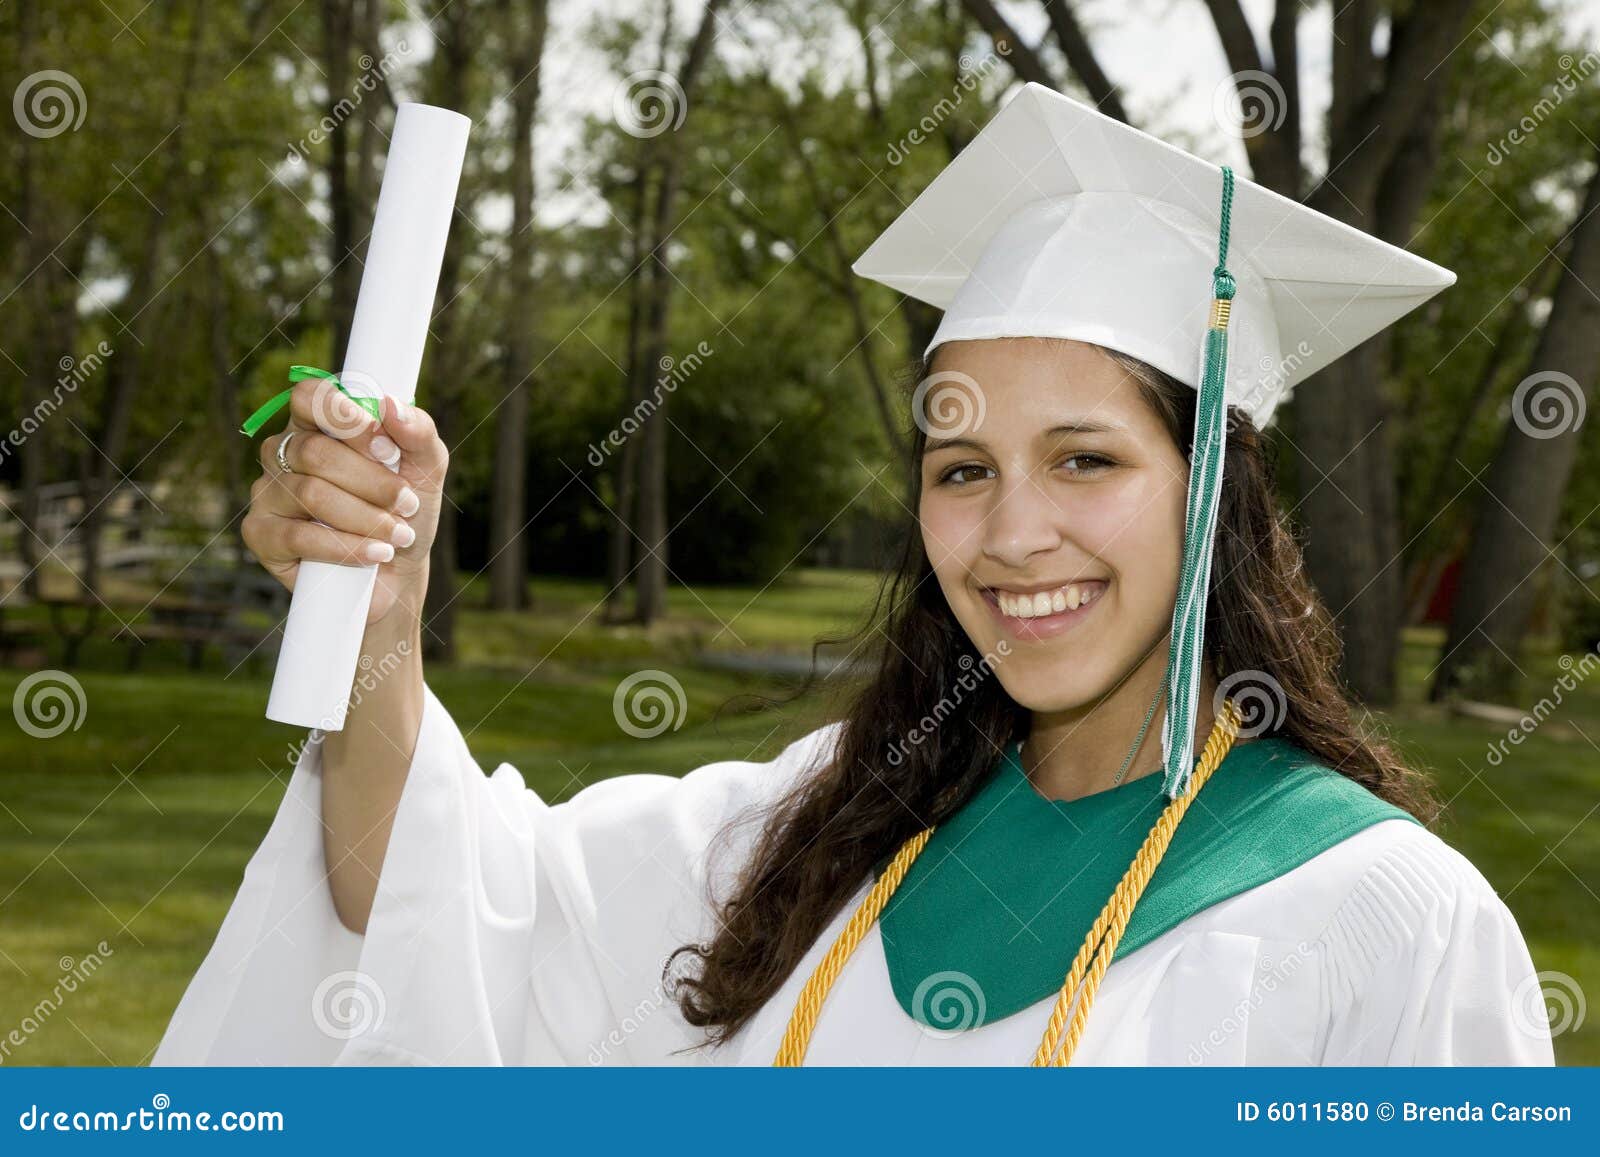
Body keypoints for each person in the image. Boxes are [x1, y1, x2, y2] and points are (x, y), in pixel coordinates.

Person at [154, 83, 1554, 1067]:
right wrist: (379, 618)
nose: (1011, 535)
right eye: (962, 468)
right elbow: (441, 898)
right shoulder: (834, 825)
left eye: (1084, 460)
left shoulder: (1385, 921)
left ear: (1217, 501)